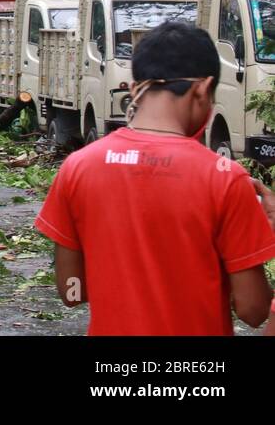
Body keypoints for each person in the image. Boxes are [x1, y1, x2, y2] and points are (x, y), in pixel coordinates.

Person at [35, 22, 275, 335]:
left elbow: (72, 293)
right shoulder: (226, 179)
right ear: (202, 89)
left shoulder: (78, 167)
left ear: (135, 89)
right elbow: (253, 310)